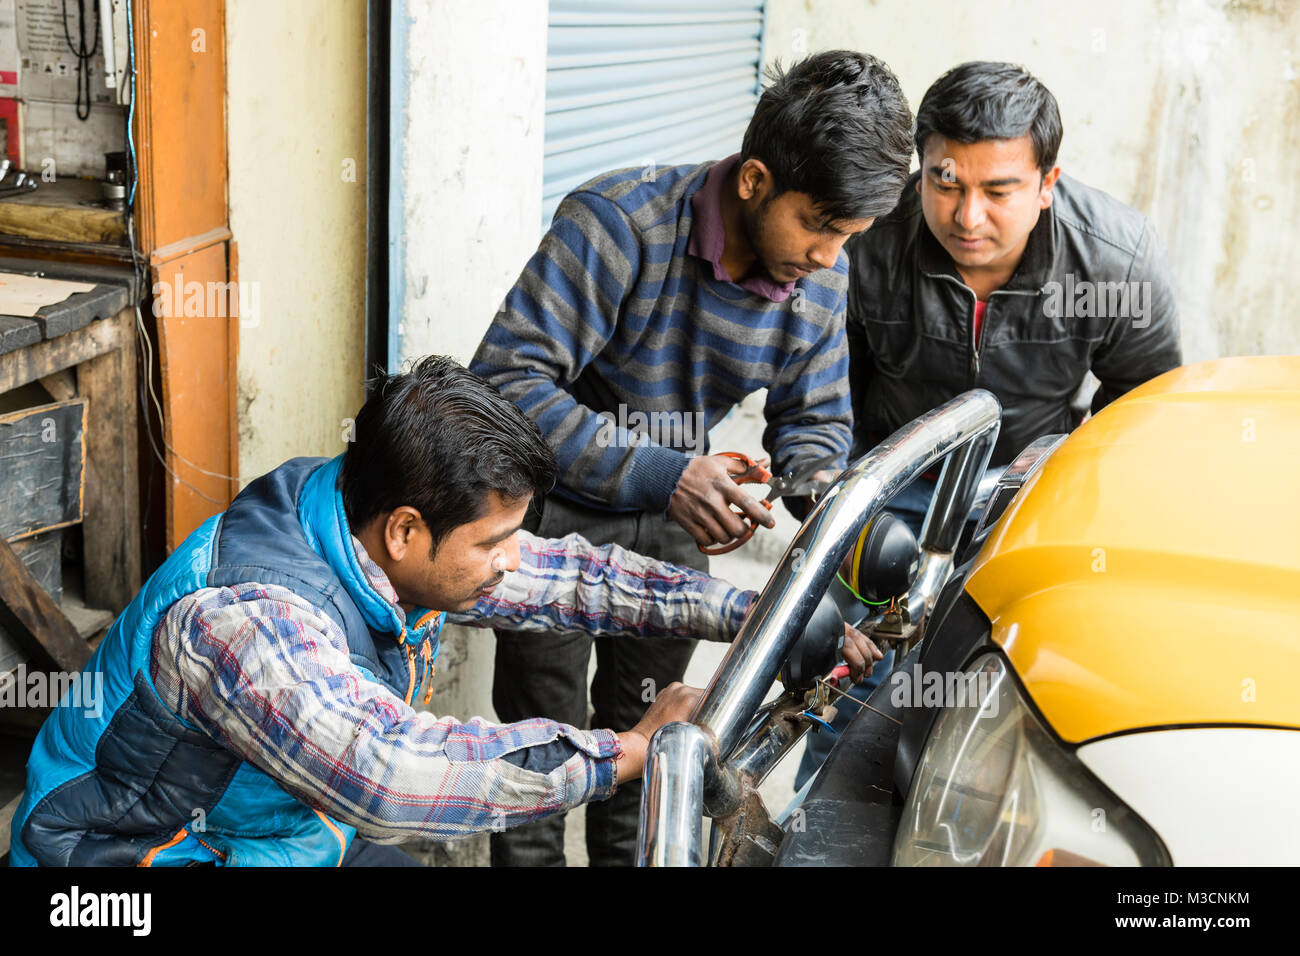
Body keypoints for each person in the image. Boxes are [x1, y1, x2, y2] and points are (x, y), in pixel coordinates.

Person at [10, 356, 880, 867]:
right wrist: (624, 754)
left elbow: (575, 580)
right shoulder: (249, 623)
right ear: (405, 531)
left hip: (273, 835)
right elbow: (395, 776)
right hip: (114, 870)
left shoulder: (359, 504)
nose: (511, 561)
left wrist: (762, 612)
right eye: (495, 541)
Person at [471, 49, 913, 866]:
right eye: (817, 225)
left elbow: (814, 421)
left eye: (848, 236)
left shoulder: (820, 278)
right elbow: (501, 386)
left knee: (651, 747)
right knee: (544, 749)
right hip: (547, 522)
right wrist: (665, 472)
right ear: (753, 180)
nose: (827, 255)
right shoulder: (616, 225)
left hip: (670, 526)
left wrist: (810, 486)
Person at [796, 60, 1183, 790]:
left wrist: (1067, 486)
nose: (967, 217)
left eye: (998, 190)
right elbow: (820, 389)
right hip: (890, 483)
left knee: (996, 693)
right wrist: (835, 499)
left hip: (1025, 494)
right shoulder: (867, 237)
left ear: (1047, 183)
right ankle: (818, 820)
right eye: (945, 182)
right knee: (840, 681)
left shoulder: (1115, 260)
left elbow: (1143, 412)